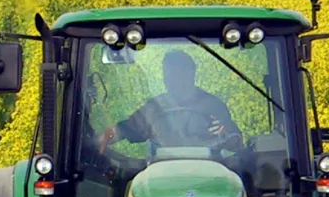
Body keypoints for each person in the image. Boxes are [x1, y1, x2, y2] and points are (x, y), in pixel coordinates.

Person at [97, 49, 242, 154]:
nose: (172, 79)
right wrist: (97, 141)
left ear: (191, 74)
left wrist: (224, 134)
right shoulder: (154, 108)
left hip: (210, 173)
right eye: (168, 74)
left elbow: (235, 142)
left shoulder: (213, 106)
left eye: (179, 74)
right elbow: (125, 129)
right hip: (162, 174)